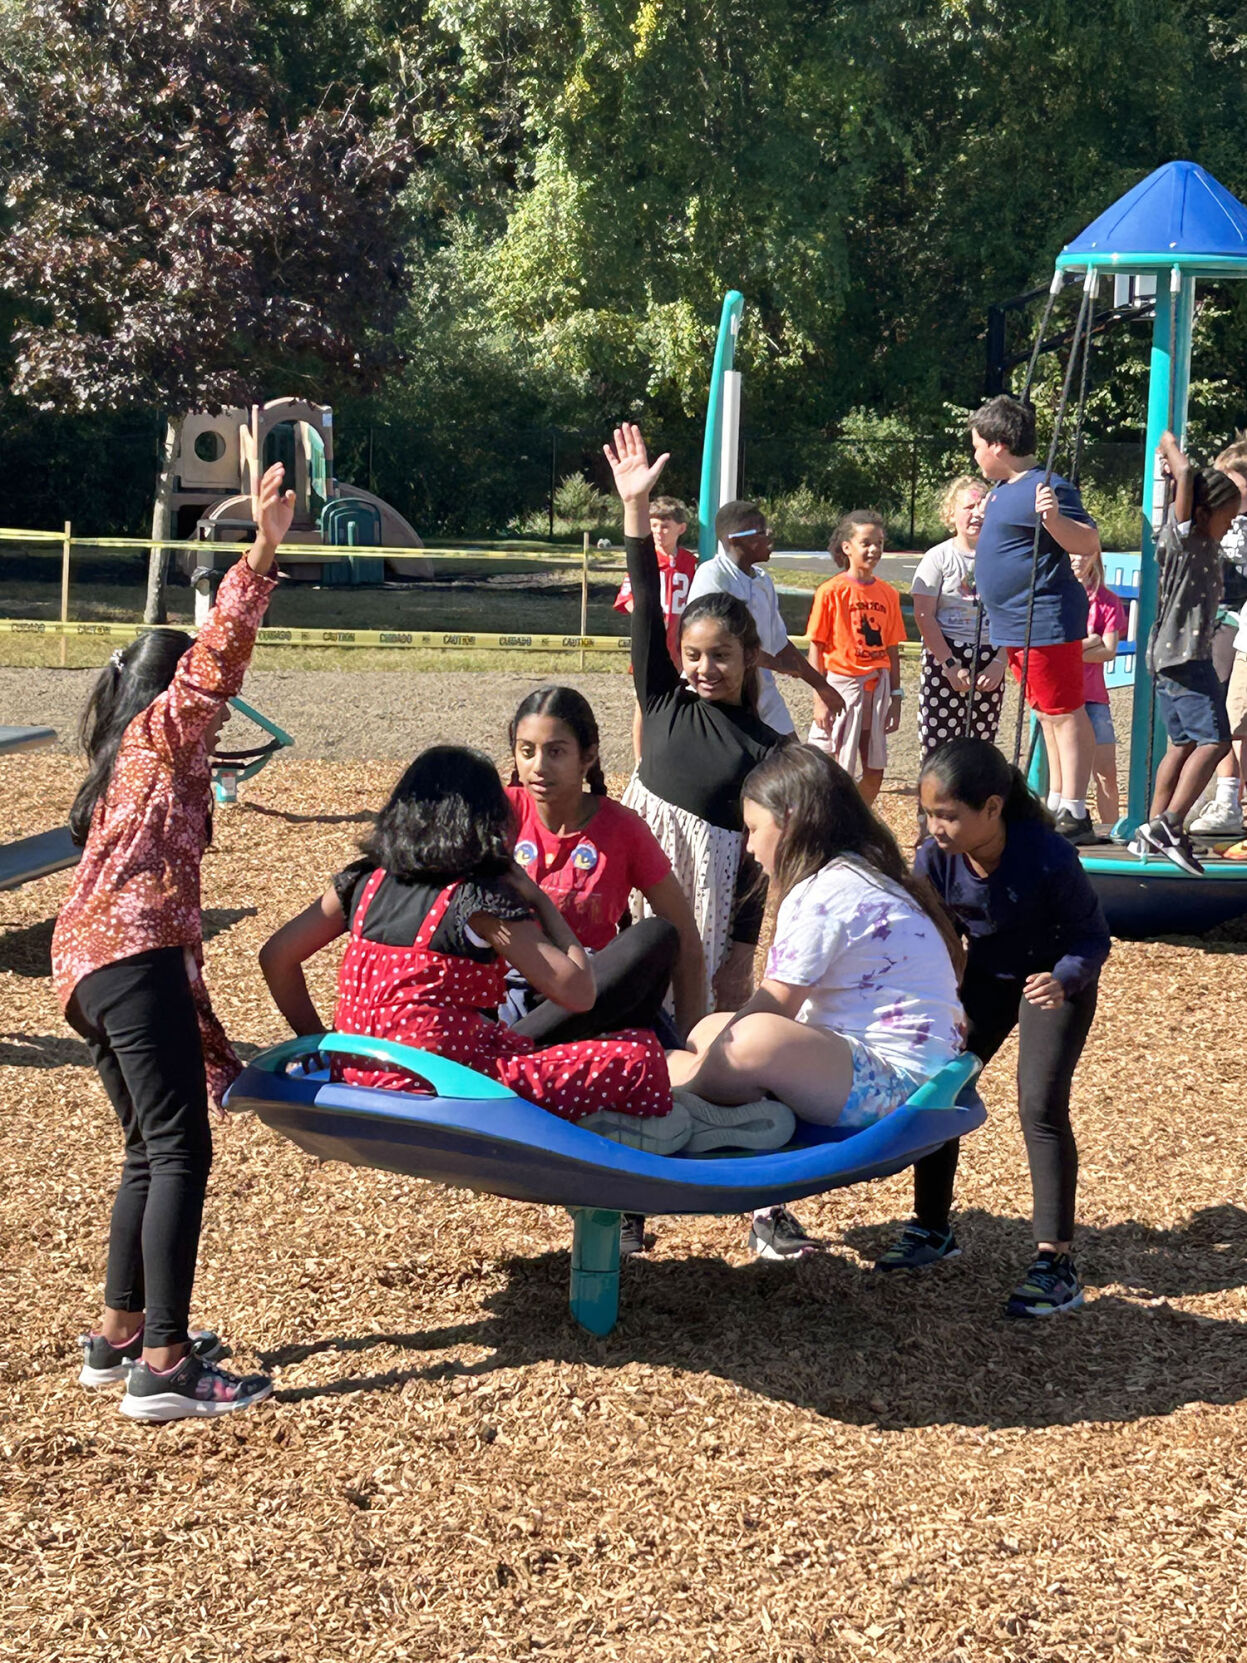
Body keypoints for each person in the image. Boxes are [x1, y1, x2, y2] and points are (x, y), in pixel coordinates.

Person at [52, 462, 295, 1422]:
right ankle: (165, 1362)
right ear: (169, 693)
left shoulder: (126, 761)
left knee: (147, 1151)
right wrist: (263, 554)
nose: (219, 714)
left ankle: (120, 1333)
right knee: (179, 1148)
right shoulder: (159, 736)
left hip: (89, 966)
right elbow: (217, 660)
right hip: (127, 954)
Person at [258, 744, 691, 1146]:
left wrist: (322, 1044)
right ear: (485, 821)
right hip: (449, 1091)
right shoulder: (476, 899)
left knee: (533, 1046)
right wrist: (539, 899)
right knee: (638, 1056)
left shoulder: (364, 881)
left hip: (358, 1075)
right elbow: (578, 991)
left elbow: (277, 956)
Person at [665, 743, 965, 1259]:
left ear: (790, 820)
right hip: (896, 1072)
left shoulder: (828, 891)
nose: (749, 846)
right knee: (710, 1029)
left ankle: (677, 1098)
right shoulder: (858, 873)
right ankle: (725, 1105)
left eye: (754, 829)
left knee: (747, 1038)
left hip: (894, 1089)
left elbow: (775, 1005)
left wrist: (702, 1066)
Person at [878, 738, 1111, 1318]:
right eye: (929, 814)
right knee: (940, 1086)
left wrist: (1065, 977)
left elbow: (1092, 937)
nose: (936, 827)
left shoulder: (1049, 856)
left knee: (1039, 1105)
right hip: (987, 974)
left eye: (949, 815)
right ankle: (933, 1229)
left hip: (1052, 980)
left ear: (992, 808)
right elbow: (926, 929)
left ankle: (1055, 1263)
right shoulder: (935, 856)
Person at [605, 424, 784, 1015]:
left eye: (722, 656)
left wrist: (739, 953)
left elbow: (755, 864)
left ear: (749, 657)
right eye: (694, 654)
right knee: (610, 998)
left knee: (684, 1016)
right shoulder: (662, 697)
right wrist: (633, 505)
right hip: (624, 884)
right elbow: (644, 591)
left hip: (703, 898)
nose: (705, 668)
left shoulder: (766, 748)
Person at [503, 684, 706, 1043]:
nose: (538, 766)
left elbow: (686, 943)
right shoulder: (499, 813)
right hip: (505, 993)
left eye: (556, 752)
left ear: (588, 756)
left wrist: (693, 1043)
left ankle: (511, 1048)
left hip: (587, 999)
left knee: (656, 936)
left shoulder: (624, 829)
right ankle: (513, 1045)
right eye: (527, 751)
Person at [969, 395, 1100, 845]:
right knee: (1046, 713)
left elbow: (1087, 541)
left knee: (1064, 713)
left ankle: (1075, 808)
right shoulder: (1003, 492)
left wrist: (1054, 519)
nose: (975, 455)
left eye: (977, 446)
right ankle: (1060, 799)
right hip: (1015, 625)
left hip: (1042, 619)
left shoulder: (1048, 486)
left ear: (999, 445)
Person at [1129, 433, 1239, 875]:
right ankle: (1171, 824)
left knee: (1182, 744)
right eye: (1228, 518)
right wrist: (1170, 445)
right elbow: (1187, 473)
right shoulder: (1185, 540)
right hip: (1185, 657)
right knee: (1215, 741)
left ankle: (1154, 828)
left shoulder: (1201, 543)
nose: (1232, 525)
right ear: (1201, 512)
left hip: (1169, 658)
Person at [686, 497, 845, 738]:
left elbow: (780, 645)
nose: (770, 536)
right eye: (760, 531)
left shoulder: (762, 580)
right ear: (735, 540)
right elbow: (717, 643)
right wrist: (776, 664)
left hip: (761, 690)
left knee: (792, 763)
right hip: (721, 692)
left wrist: (821, 686)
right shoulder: (713, 575)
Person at [804, 510, 908, 804]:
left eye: (879, 543)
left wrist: (896, 697)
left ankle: (856, 822)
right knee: (835, 767)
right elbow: (817, 647)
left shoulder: (888, 594)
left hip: (877, 687)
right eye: (866, 542)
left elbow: (891, 649)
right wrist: (819, 697)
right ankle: (830, 823)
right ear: (847, 547)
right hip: (841, 688)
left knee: (874, 768)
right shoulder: (831, 592)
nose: (874, 549)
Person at [911, 477, 1007, 756]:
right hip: (946, 652)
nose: (977, 513)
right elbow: (924, 614)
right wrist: (949, 664)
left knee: (980, 747)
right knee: (939, 744)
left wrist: (1000, 661)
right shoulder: (938, 558)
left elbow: (1016, 612)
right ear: (951, 513)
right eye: (969, 506)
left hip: (990, 653)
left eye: (983, 507)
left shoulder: (1003, 559)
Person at [1188, 439, 1247, 837]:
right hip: (1218, 617)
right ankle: (1227, 797)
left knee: (1230, 710)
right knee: (1226, 709)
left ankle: (1229, 798)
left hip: (1235, 616)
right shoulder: (1210, 519)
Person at [612, 495, 698, 763]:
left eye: (665, 526)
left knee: (685, 695)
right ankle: (641, 761)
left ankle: (676, 753)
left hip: (682, 643)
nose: (659, 533)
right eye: (654, 526)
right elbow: (627, 599)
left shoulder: (690, 563)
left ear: (680, 528)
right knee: (645, 701)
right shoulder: (646, 562)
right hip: (654, 642)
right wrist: (648, 615)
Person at [1056, 548, 1126, 829]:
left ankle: (1111, 830)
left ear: (1095, 558)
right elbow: (1051, 651)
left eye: (1085, 554)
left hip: (1093, 695)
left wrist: (1070, 651)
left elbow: (1108, 650)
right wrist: (1090, 641)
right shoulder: (1056, 597)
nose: (1078, 560)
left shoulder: (1107, 601)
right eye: (1071, 554)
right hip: (1060, 696)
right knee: (1062, 772)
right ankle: (1063, 823)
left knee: (1106, 770)